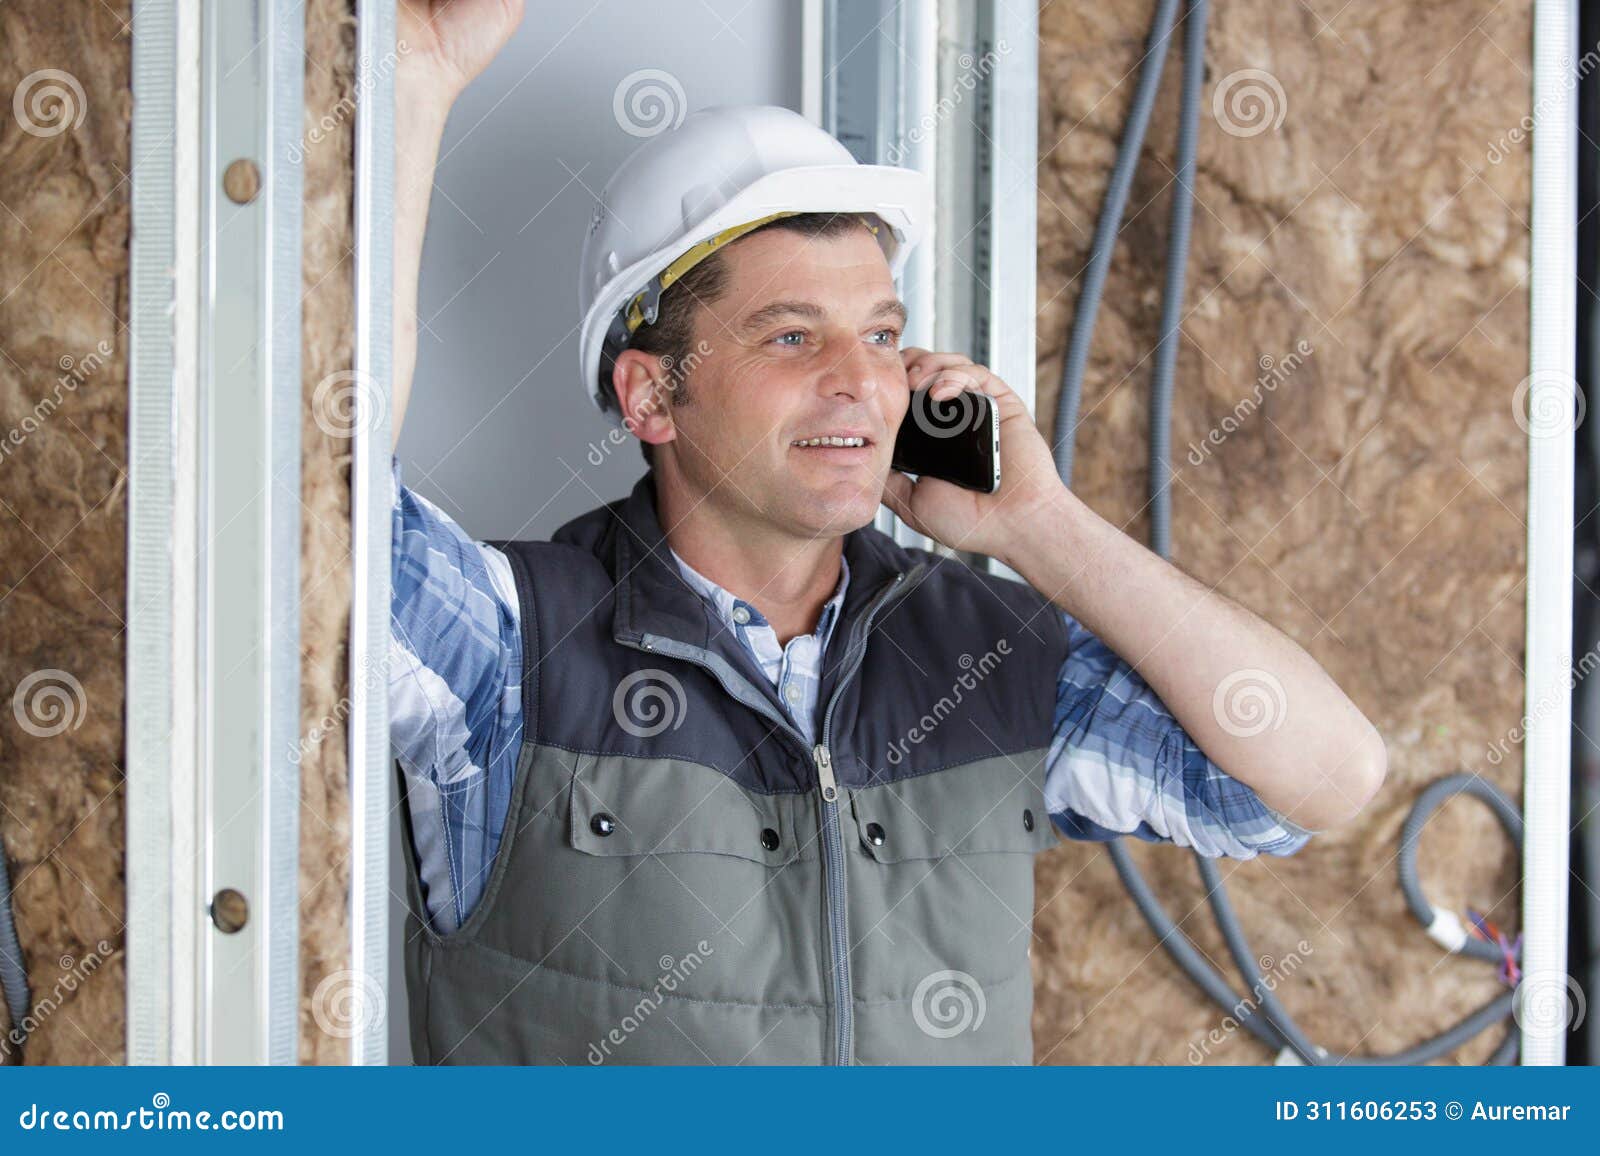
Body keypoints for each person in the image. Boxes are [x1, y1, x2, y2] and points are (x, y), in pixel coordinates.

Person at [388, 0, 1386, 1065]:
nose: (860, 380)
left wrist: (1039, 525)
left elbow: (1317, 779)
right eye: (790, 336)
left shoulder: (980, 655)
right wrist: (418, 83)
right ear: (651, 397)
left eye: (880, 334)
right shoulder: (512, 648)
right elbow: (329, 523)